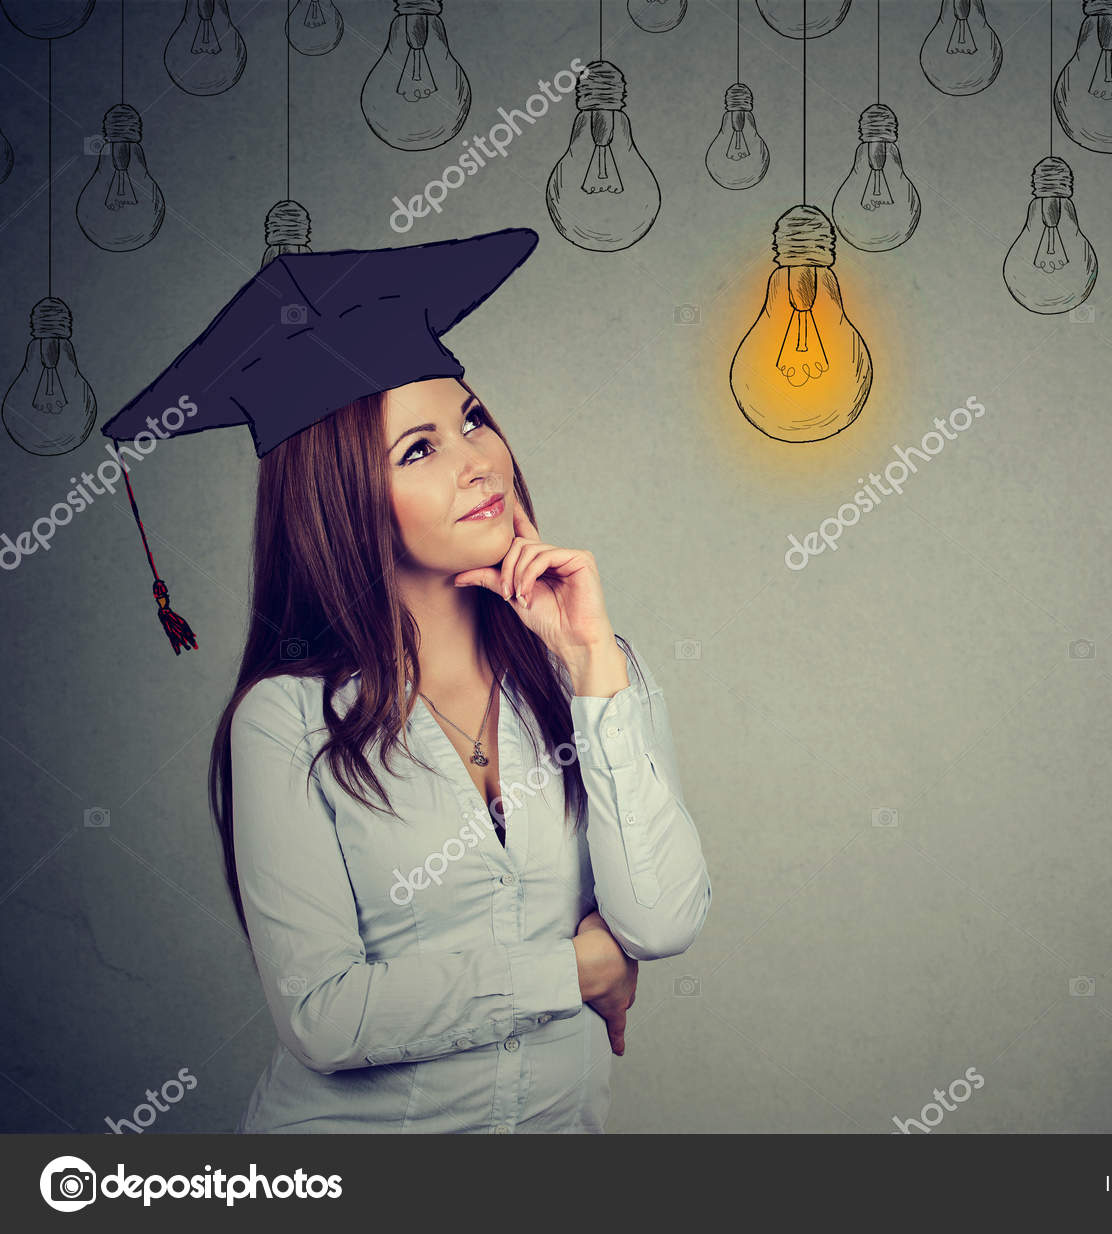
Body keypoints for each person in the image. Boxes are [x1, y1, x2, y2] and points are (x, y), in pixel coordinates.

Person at [98, 227, 712, 1132]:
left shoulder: (594, 672)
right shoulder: (288, 721)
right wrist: (571, 970)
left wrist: (592, 664)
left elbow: (661, 923)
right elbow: (325, 1017)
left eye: (473, 419)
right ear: (341, 501)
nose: (479, 461)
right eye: (419, 450)